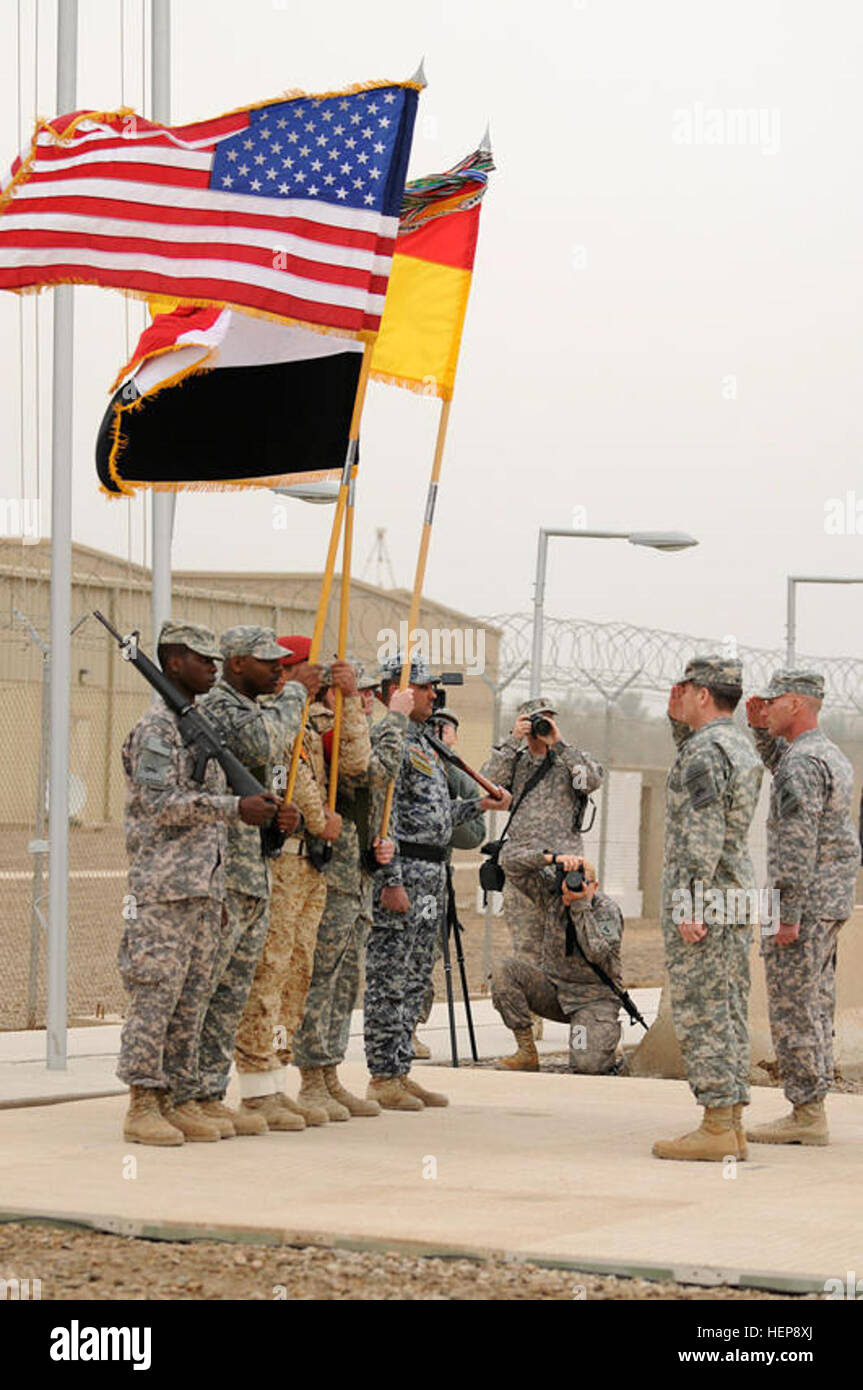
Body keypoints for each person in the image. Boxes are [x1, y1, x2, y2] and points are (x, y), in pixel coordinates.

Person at [117, 621, 279, 1146]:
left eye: (215, 659)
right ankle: (142, 1103)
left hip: (204, 888)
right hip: (163, 888)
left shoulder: (195, 723)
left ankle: (179, 1098)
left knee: (190, 1000)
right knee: (155, 994)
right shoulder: (157, 729)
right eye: (202, 659)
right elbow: (156, 804)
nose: (213, 666)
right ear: (172, 663)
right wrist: (236, 808)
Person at [364, 657, 511, 1110]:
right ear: (398, 690)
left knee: (414, 976)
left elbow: (435, 816)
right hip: (403, 869)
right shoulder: (391, 741)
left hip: (432, 871)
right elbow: (380, 816)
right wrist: (390, 879)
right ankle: (382, 1075)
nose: (434, 696)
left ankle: (401, 1068)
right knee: (389, 977)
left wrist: (480, 806)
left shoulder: (427, 745)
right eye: (426, 688)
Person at [192, 626, 316, 1137]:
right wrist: (298, 691)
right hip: (224, 875)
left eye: (284, 665)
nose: (279, 672)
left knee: (231, 992)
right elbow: (267, 740)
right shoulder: (225, 708)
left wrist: (279, 815)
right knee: (208, 989)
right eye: (269, 664)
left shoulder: (256, 704)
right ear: (236, 663)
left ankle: (208, 1093)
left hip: (254, 871)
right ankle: (190, 1092)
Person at [232, 637, 350, 1128]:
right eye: (287, 670)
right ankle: (256, 1084)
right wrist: (320, 819)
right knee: (270, 974)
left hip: (309, 866)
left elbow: (355, 757)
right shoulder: (269, 721)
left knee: (296, 974)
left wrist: (352, 698)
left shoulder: (304, 721)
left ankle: (276, 1078)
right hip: (280, 862)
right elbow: (289, 792)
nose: (293, 679)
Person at [653, 655, 762, 1163]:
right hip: (732, 893)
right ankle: (732, 1119)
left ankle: (717, 1123)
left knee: (704, 1011)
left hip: (707, 897)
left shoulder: (704, 754)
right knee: (729, 1007)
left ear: (701, 694)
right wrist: (676, 719)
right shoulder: (735, 745)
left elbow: (701, 833)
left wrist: (690, 902)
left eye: (686, 690)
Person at [746, 671, 861, 1146]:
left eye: (773, 703)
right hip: (830, 900)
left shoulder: (802, 765)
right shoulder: (826, 755)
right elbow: (786, 767)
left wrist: (786, 914)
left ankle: (806, 1112)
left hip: (802, 904)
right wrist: (758, 730)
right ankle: (812, 1102)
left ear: (796, 704)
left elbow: (795, 844)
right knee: (816, 1004)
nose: (766, 708)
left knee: (793, 1007)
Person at [292, 665, 412, 1116]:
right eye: (357, 693)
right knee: (322, 977)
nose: (365, 701)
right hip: (334, 876)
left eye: (366, 694)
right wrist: (396, 719)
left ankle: (329, 1072)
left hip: (357, 871)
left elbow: (371, 799)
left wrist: (379, 843)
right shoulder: (328, 730)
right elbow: (372, 771)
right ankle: (310, 1076)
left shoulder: (350, 728)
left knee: (345, 981)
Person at [480, 697, 603, 969]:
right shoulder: (515, 761)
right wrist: (512, 741)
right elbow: (490, 783)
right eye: (536, 719)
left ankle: (565, 1006)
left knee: (567, 950)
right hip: (524, 868)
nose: (542, 725)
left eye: (548, 719)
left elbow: (590, 782)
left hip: (564, 867)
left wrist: (560, 744)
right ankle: (532, 1010)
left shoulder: (570, 761)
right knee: (527, 950)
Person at [492, 855, 624, 1073]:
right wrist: (553, 857)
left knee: (587, 1066)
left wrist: (580, 907)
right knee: (504, 970)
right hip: (554, 991)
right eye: (569, 881)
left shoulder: (606, 910)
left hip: (592, 1000)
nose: (572, 888)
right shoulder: (553, 898)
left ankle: (600, 1035)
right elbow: (512, 866)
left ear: (595, 886)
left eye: (582, 882)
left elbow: (596, 954)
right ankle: (526, 1052)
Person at [413, 708, 486, 1058]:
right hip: (412, 874)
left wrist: (450, 761)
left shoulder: (447, 769)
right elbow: (474, 820)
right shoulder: (415, 759)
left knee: (424, 954)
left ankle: (406, 1029)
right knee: (411, 954)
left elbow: (475, 832)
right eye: (452, 735)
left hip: (435, 876)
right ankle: (401, 1030)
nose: (455, 741)